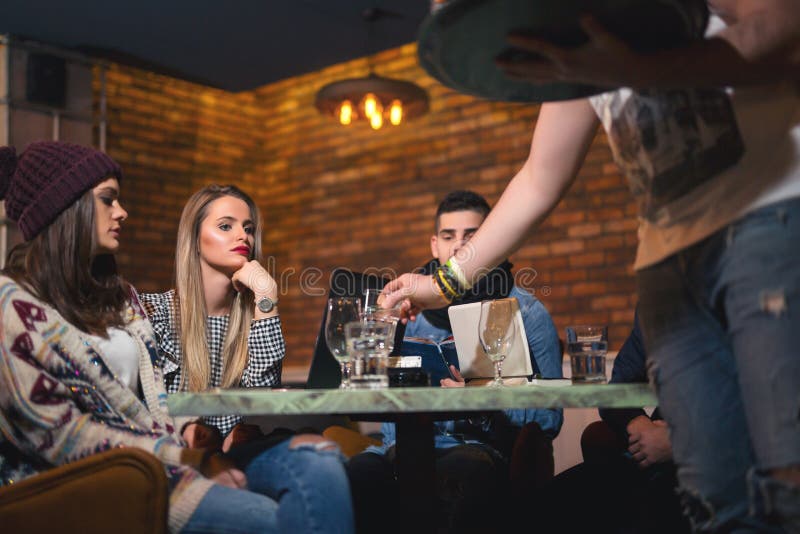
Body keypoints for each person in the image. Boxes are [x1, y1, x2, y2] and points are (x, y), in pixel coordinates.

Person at [382, 4, 800, 531]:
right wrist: (440, 284)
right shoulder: (575, 30)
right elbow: (539, 179)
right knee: (714, 498)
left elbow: (784, 27)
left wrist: (636, 72)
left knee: (786, 479)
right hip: (667, 266)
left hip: (771, 220)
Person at [0, 141, 354, 533]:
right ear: (64, 208)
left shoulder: (119, 298)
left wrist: (266, 302)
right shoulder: (24, 308)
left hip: (178, 455)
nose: (122, 212)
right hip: (123, 473)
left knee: (322, 460)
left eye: (248, 227)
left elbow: (157, 397)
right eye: (108, 200)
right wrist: (190, 449)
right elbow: (68, 430)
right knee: (275, 520)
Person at [350, 190, 563, 533]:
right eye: (449, 237)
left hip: (478, 451)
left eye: (472, 236)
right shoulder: (405, 311)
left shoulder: (527, 312)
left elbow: (550, 418)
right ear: (435, 245)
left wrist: (486, 398)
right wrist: (380, 325)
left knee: (464, 474)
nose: (458, 247)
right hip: (398, 448)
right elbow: (359, 389)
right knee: (357, 475)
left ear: (493, 240)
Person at [140, 184, 285, 452]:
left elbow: (266, 398)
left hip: (243, 457)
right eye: (226, 226)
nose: (243, 236)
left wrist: (266, 295)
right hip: (176, 461)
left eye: (249, 228)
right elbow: (141, 407)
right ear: (194, 239)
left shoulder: (254, 319)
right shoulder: (153, 313)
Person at [537, 308, 689, 533]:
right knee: (546, 506)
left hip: (709, 469)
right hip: (648, 463)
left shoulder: (743, 301)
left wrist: (679, 443)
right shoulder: (657, 302)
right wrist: (638, 422)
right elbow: (617, 388)